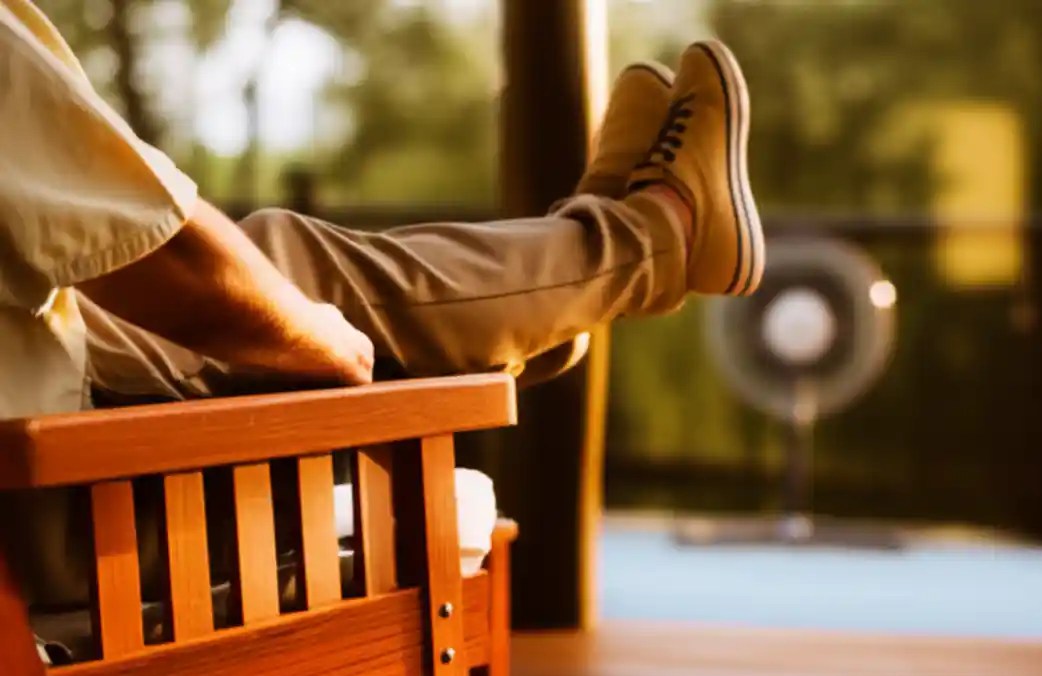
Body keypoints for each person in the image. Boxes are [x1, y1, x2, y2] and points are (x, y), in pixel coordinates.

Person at [0, 0, 764, 615]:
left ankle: (589, 266)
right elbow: (175, 264)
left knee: (271, 265)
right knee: (289, 284)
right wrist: (320, 343)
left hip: (37, 485)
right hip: (63, 520)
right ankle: (648, 237)